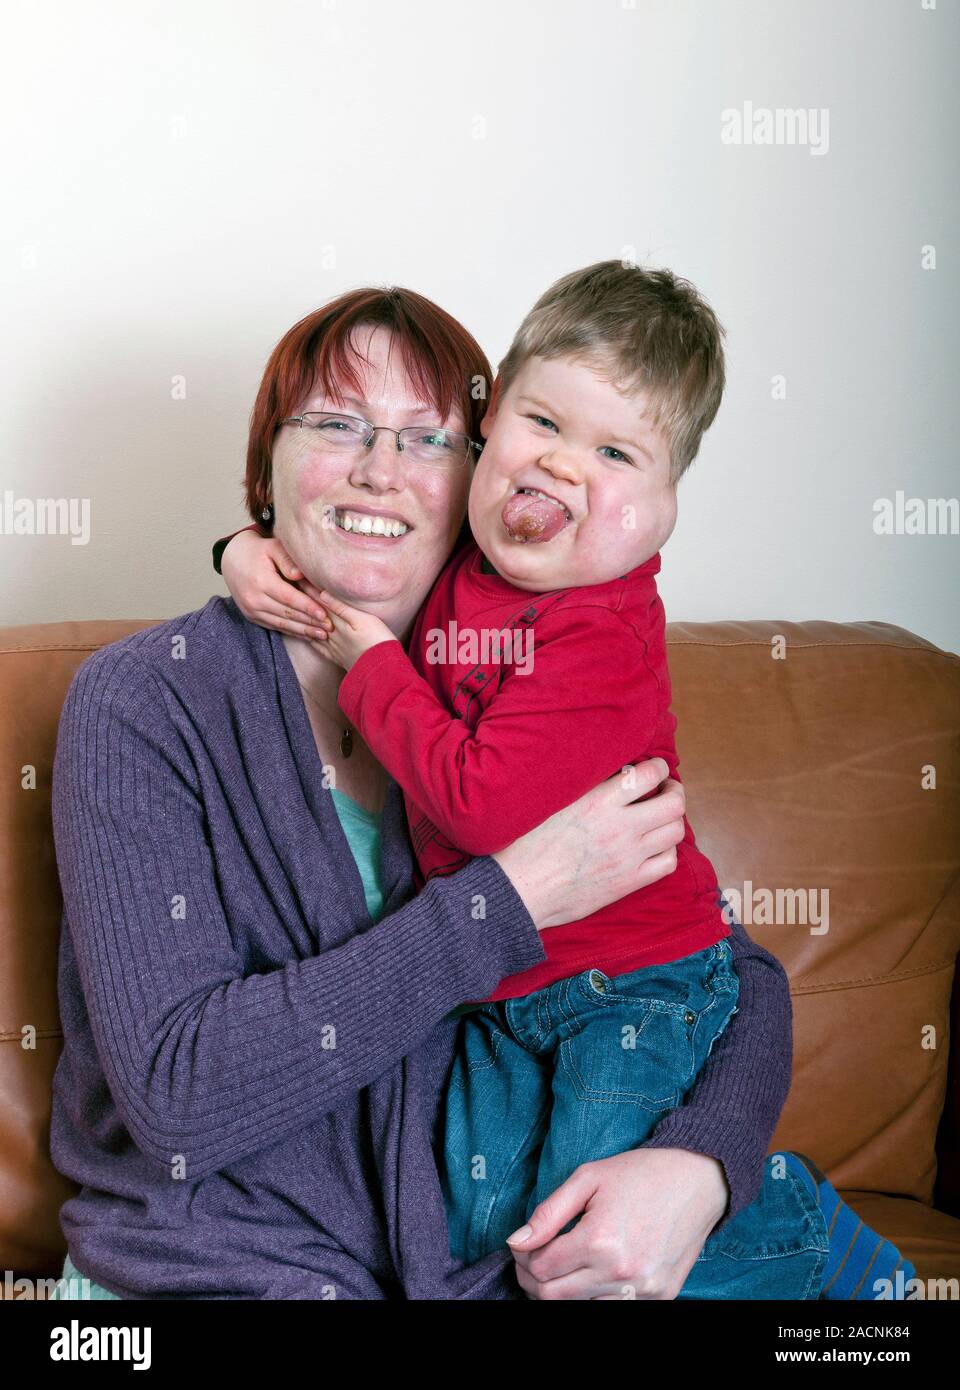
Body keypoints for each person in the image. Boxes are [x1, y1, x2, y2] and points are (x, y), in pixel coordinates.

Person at [45, 284, 894, 1301]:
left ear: (480, 474)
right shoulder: (147, 699)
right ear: (265, 461)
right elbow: (178, 1098)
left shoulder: (514, 668)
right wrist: (514, 898)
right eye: (335, 425)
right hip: (207, 1264)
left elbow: (728, 970)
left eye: (428, 438)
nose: (379, 468)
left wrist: (703, 1167)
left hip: (456, 1268)